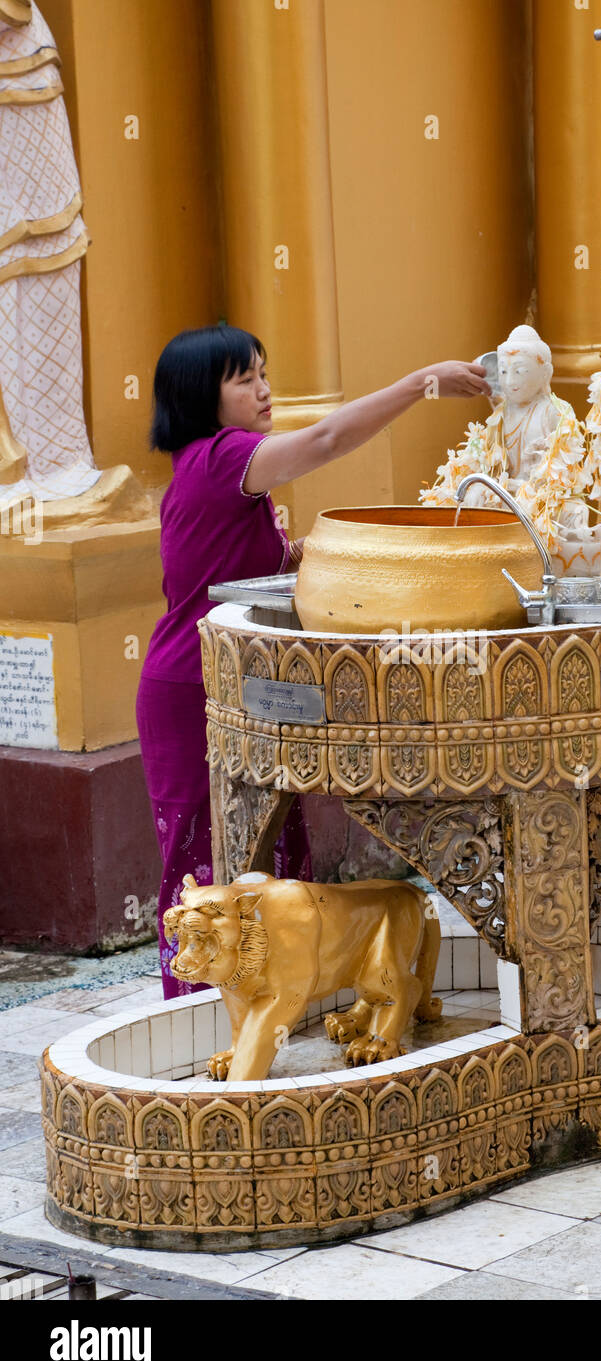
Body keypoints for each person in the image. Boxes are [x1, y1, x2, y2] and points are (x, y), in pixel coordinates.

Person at [137, 324, 488, 996]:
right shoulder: (221, 458)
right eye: (245, 379)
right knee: (206, 862)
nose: (264, 390)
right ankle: (200, 1016)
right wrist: (422, 383)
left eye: (264, 373)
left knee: (267, 850)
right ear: (199, 396)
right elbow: (325, 441)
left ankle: (275, 999)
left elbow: (227, 568)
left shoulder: (216, 470)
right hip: (190, 688)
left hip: (238, 681)